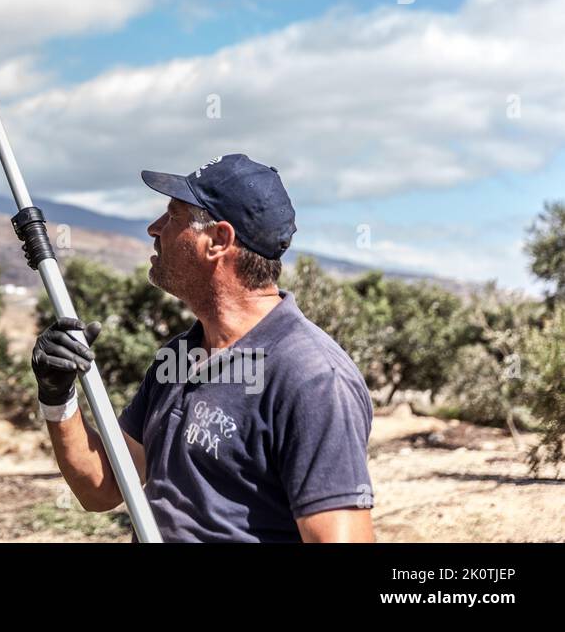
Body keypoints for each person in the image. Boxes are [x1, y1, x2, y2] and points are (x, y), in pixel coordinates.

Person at [31, 154, 374, 542]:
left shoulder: (312, 378)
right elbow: (104, 487)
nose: (154, 228)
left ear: (218, 241)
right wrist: (58, 397)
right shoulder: (178, 357)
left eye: (173, 216)